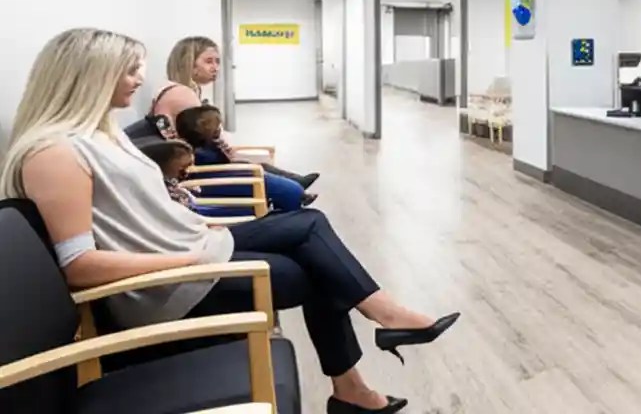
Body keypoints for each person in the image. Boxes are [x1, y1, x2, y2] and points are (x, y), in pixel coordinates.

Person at [1, 28, 461, 414]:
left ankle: (368, 352)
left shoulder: (100, 133)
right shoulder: (54, 154)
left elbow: (125, 206)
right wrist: (181, 259)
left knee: (309, 223)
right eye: (129, 69)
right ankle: (367, 356)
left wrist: (173, 196)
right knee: (316, 271)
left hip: (191, 244)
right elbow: (79, 264)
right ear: (87, 76)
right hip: (170, 284)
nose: (140, 78)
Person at [153, 36, 318, 191]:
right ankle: (295, 188)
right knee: (279, 184)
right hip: (192, 174)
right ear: (187, 63)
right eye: (208, 61)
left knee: (258, 167)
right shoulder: (181, 94)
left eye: (217, 62)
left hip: (195, 165)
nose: (215, 68)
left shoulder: (184, 90)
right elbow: (208, 140)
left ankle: (296, 183)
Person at [174, 104, 315, 210]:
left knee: (262, 170)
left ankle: (296, 188)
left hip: (230, 177)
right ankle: (296, 195)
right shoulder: (201, 154)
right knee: (287, 190)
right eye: (216, 127)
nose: (219, 130)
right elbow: (221, 165)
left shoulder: (205, 148)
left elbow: (225, 162)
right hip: (224, 183)